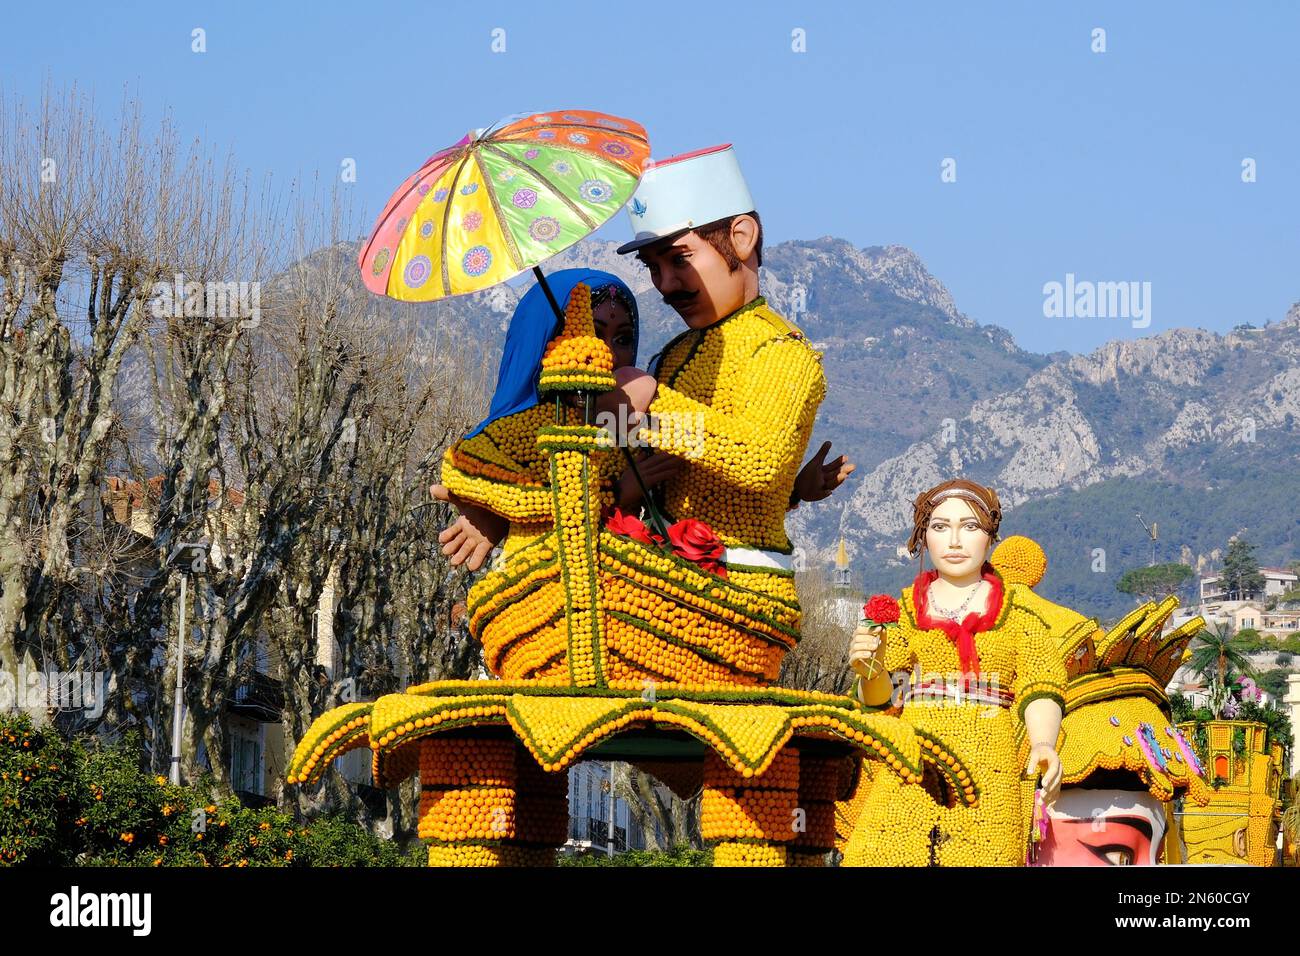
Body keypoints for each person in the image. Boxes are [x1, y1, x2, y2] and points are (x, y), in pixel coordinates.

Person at [432, 264, 854, 571]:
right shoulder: (517, 435)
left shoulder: (632, 424)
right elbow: (532, 497)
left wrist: (789, 491)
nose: (611, 354)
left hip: (639, 605)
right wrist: (494, 511)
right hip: (548, 602)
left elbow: (692, 488)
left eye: (623, 338)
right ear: (546, 341)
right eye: (592, 335)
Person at [601, 143, 828, 611]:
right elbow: (638, 451)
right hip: (661, 579)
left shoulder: (781, 351)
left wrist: (655, 403)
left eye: (680, 259)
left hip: (740, 590)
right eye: (654, 268)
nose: (664, 285)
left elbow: (758, 458)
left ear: (742, 238)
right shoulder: (672, 357)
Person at [840, 478, 1074, 866]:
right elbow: (880, 699)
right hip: (913, 763)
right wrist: (870, 668)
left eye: (969, 527)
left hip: (990, 766)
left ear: (990, 536)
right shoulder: (906, 611)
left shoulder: (1018, 613)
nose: (954, 540)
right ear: (923, 537)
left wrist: (1043, 742)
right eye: (940, 527)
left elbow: (1041, 683)